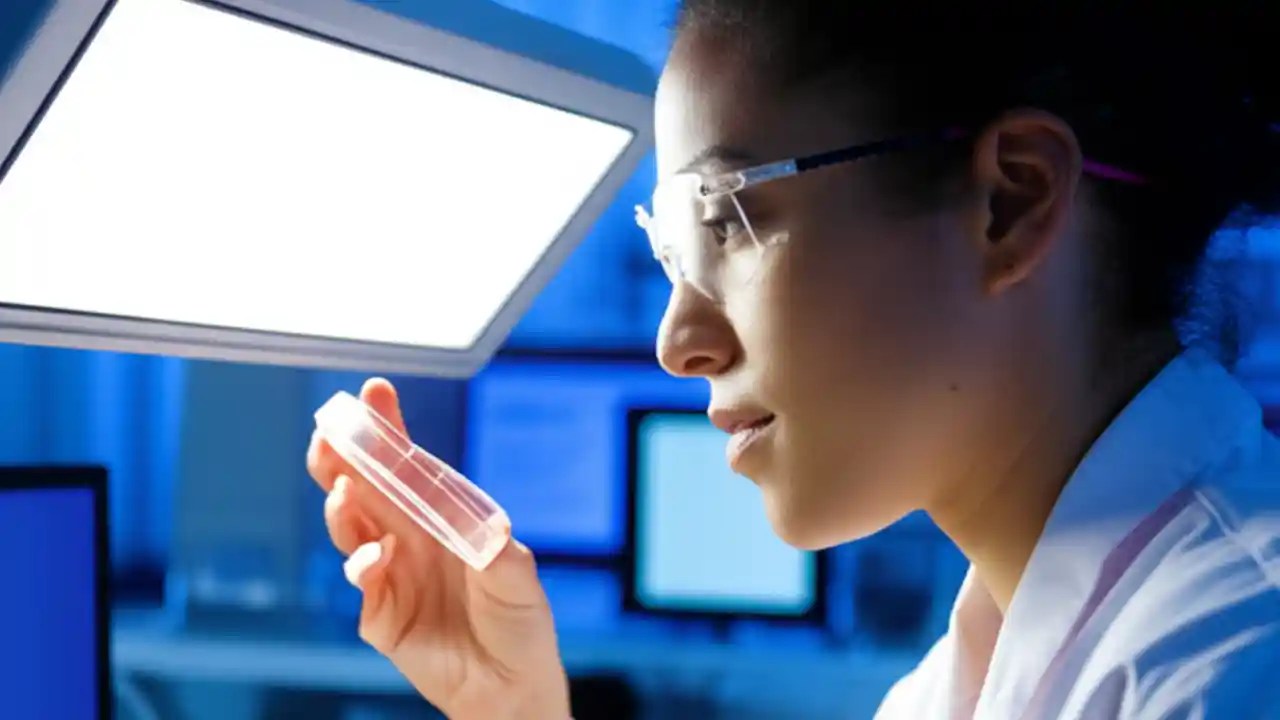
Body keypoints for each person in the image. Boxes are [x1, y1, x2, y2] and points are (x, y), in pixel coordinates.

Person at [306, 2, 1280, 718]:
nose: (676, 344)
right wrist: (515, 707)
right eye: (671, 254)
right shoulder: (977, 664)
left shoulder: (1228, 667)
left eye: (724, 220)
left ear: (1009, 204)